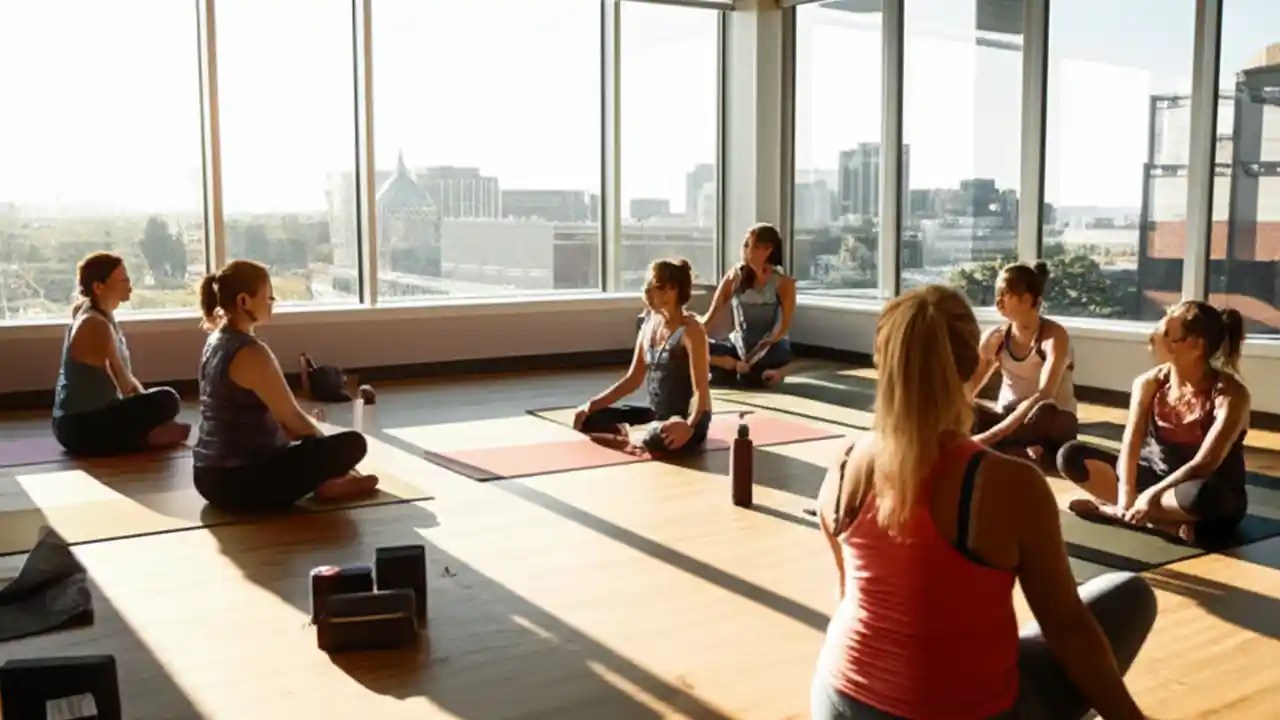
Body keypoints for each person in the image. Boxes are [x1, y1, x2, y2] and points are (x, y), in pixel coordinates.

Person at [813, 284, 1154, 720]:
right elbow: (1065, 627)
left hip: (838, 698)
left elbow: (851, 595)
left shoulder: (843, 465)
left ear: (881, 361)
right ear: (974, 363)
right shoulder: (1010, 484)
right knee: (1131, 596)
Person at [192, 260, 378, 511]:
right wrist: (333, 459)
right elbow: (291, 418)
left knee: (307, 442)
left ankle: (327, 480)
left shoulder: (214, 341)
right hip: (238, 481)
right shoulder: (252, 352)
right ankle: (330, 482)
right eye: (268, 297)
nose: (272, 302)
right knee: (353, 443)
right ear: (244, 301)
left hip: (205, 476)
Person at [1057, 301, 1248, 545]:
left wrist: (1150, 496)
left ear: (1197, 345)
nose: (1154, 338)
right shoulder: (1149, 383)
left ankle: (1125, 511)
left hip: (1204, 490)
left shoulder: (1231, 394)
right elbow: (1131, 443)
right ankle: (1153, 517)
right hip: (1155, 478)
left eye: (1168, 335)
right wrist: (1126, 495)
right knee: (1070, 456)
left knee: (1203, 497)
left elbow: (1205, 463)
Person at [51, 252, 190, 456]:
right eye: (123, 280)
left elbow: (127, 385)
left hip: (77, 423)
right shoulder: (94, 325)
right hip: (80, 427)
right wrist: (155, 414)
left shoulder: (99, 315)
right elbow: (125, 385)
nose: (129, 285)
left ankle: (146, 435)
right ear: (99, 287)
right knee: (168, 400)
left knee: (164, 405)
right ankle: (145, 437)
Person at [573, 258, 712, 455]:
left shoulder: (691, 331)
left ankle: (639, 437)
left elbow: (701, 391)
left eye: (656, 286)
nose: (649, 291)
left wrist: (689, 425)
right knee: (588, 418)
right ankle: (636, 435)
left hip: (687, 419)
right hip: (657, 414)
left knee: (655, 439)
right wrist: (589, 406)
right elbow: (632, 380)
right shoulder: (647, 325)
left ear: (671, 291)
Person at [969, 260, 1078, 462]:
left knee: (1044, 412)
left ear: (1027, 300)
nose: (998, 301)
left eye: (1005, 294)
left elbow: (1044, 394)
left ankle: (1011, 445)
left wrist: (989, 436)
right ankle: (1021, 447)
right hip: (1007, 417)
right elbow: (971, 387)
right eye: (997, 294)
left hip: (1046, 419)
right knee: (967, 409)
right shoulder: (995, 338)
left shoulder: (1054, 336)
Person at [701, 223, 797, 388]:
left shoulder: (783, 283)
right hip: (738, 345)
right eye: (743, 244)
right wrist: (691, 337)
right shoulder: (734, 277)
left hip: (769, 348)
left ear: (767, 249)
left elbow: (782, 329)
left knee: (762, 368)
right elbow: (711, 314)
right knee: (699, 350)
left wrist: (752, 358)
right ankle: (732, 366)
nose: (743, 250)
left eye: (748, 245)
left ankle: (748, 371)